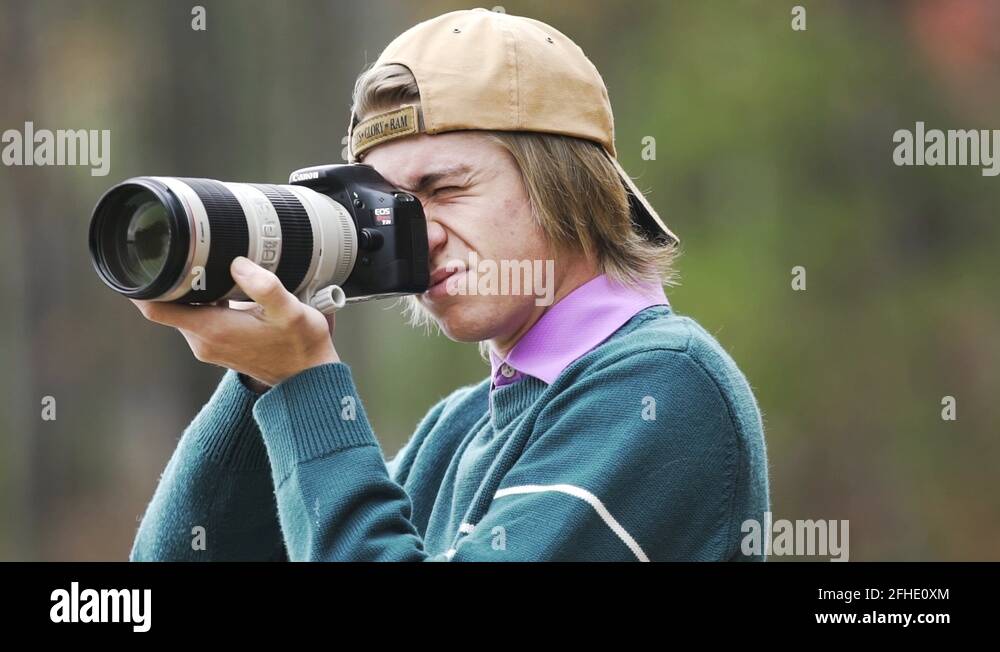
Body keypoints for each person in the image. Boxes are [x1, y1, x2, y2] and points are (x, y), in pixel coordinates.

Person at [129, 8, 769, 561]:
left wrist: (305, 388)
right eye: (394, 209)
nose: (421, 236)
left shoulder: (663, 387)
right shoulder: (458, 428)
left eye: (445, 190)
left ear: (566, 184)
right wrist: (262, 381)